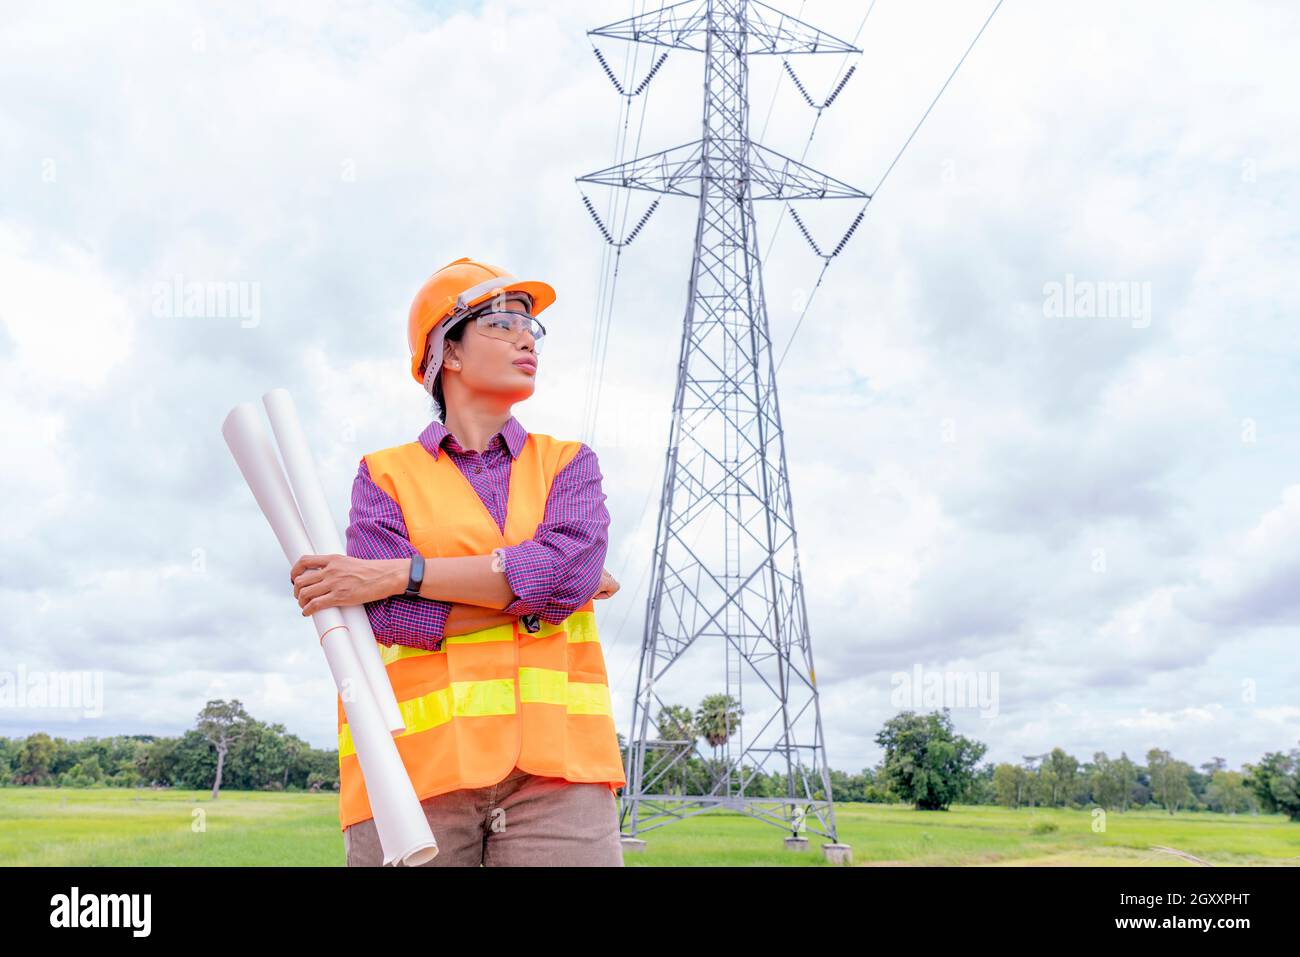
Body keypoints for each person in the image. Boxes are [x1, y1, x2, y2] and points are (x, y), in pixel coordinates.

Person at [288, 256, 626, 866]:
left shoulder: (569, 462)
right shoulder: (383, 475)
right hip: (414, 774)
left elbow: (564, 573)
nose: (527, 338)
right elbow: (390, 622)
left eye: (532, 328)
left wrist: (402, 573)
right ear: (449, 353)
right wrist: (546, 596)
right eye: (501, 323)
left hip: (562, 776)